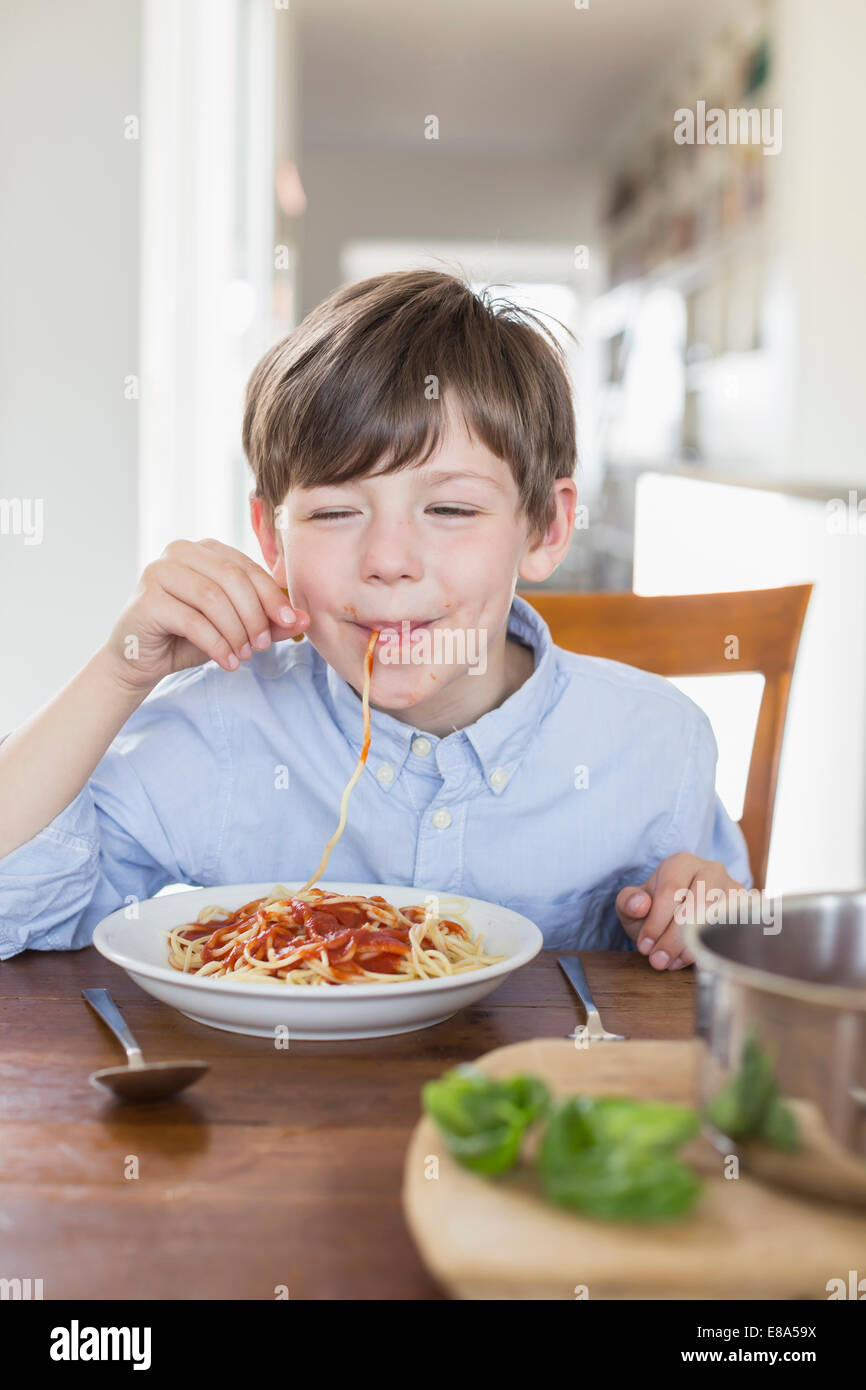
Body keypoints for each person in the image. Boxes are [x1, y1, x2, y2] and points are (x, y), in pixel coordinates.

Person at [0, 268, 751, 965]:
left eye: (450, 507)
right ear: (271, 539)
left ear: (546, 529)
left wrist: (702, 923)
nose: (388, 559)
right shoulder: (221, 729)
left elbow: (729, 941)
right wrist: (118, 671)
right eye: (333, 511)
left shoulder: (658, 746)